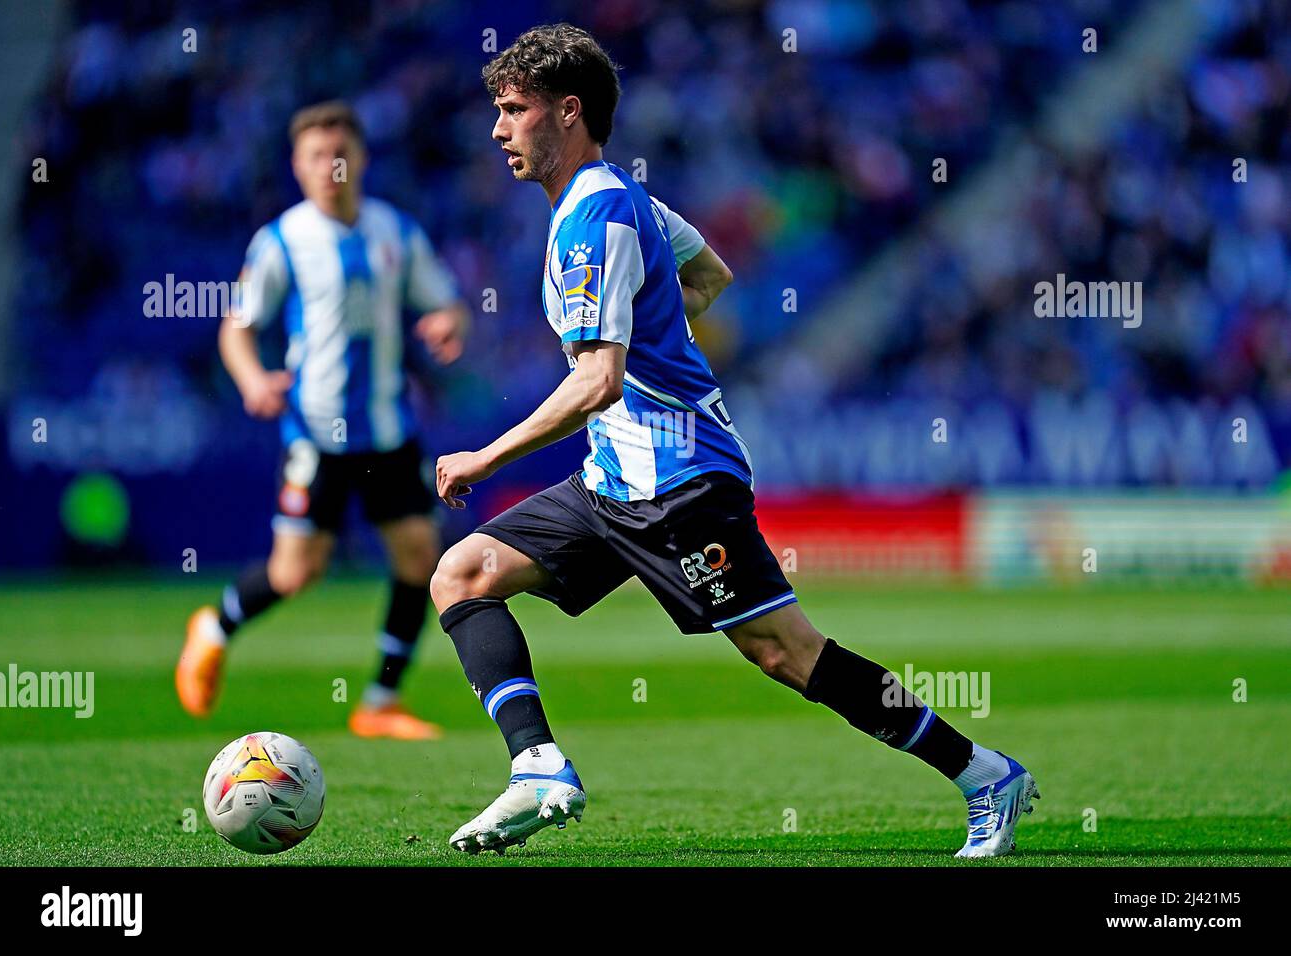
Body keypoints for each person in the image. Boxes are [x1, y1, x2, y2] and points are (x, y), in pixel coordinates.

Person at [430, 24, 1037, 856]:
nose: (498, 129)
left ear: (568, 112)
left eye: (513, 110)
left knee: (788, 653)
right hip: (617, 477)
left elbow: (598, 381)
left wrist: (484, 457)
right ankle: (537, 766)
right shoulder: (626, 198)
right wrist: (660, 340)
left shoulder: (594, 221)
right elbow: (709, 275)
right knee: (464, 571)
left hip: (679, 480)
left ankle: (982, 774)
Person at [176, 101, 469, 740]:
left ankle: (380, 700)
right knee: (295, 572)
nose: (330, 167)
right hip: (315, 429)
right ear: (298, 166)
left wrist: (449, 322)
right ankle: (214, 626)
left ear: (360, 159)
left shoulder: (395, 231)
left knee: (421, 556)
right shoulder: (282, 240)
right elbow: (238, 328)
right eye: (315, 156)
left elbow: (445, 301)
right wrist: (254, 379)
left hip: (389, 430)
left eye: (340, 154)